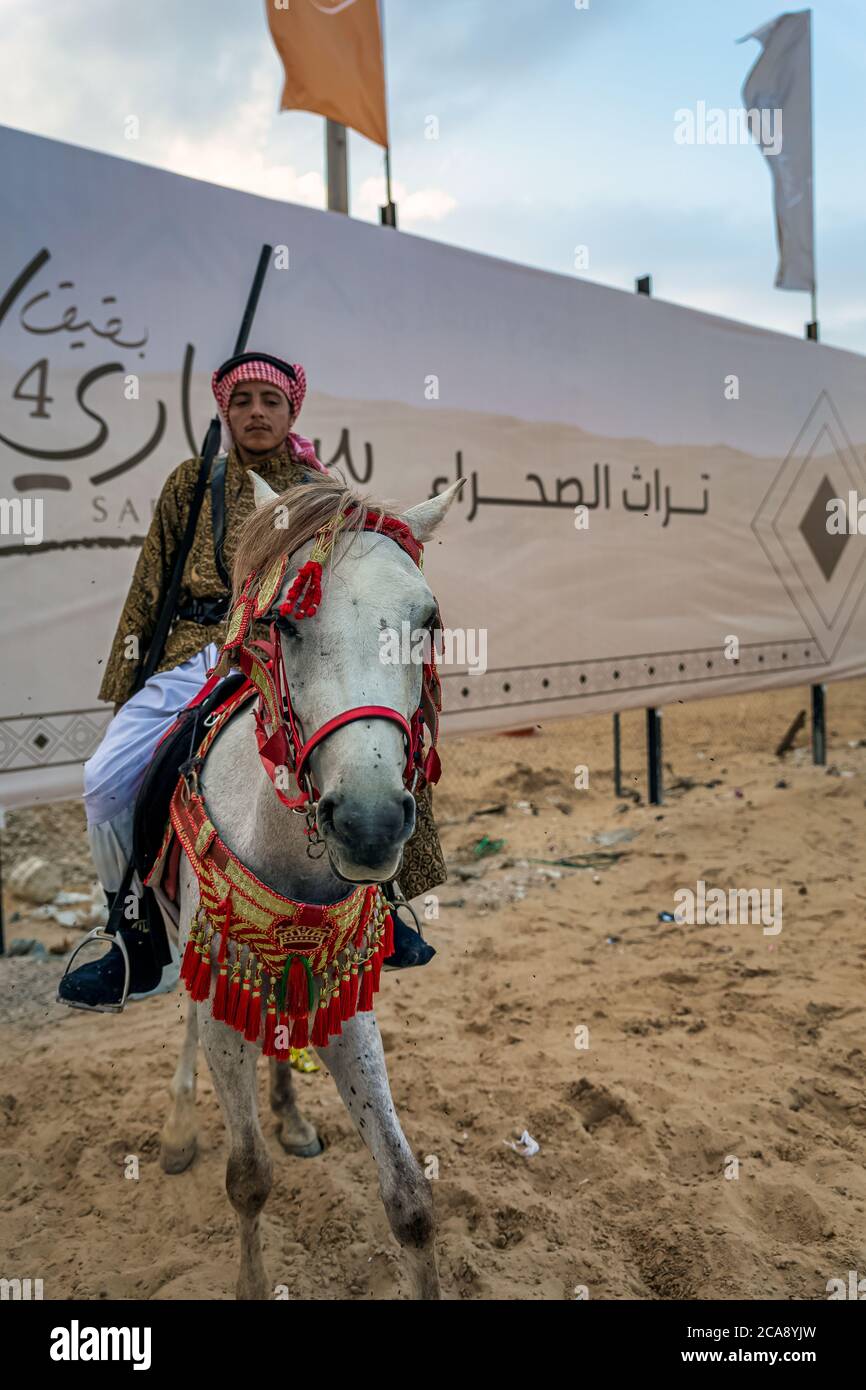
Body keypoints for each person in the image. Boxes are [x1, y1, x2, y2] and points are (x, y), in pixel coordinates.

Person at [59, 351, 446, 1016]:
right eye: (243, 402)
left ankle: (388, 905)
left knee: (379, 736)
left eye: (271, 400)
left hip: (279, 648)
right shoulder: (191, 484)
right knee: (104, 778)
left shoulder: (319, 488)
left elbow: (347, 586)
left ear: (292, 410)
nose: (257, 413)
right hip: (190, 654)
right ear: (225, 412)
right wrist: (131, 679)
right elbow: (151, 581)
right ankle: (133, 936)